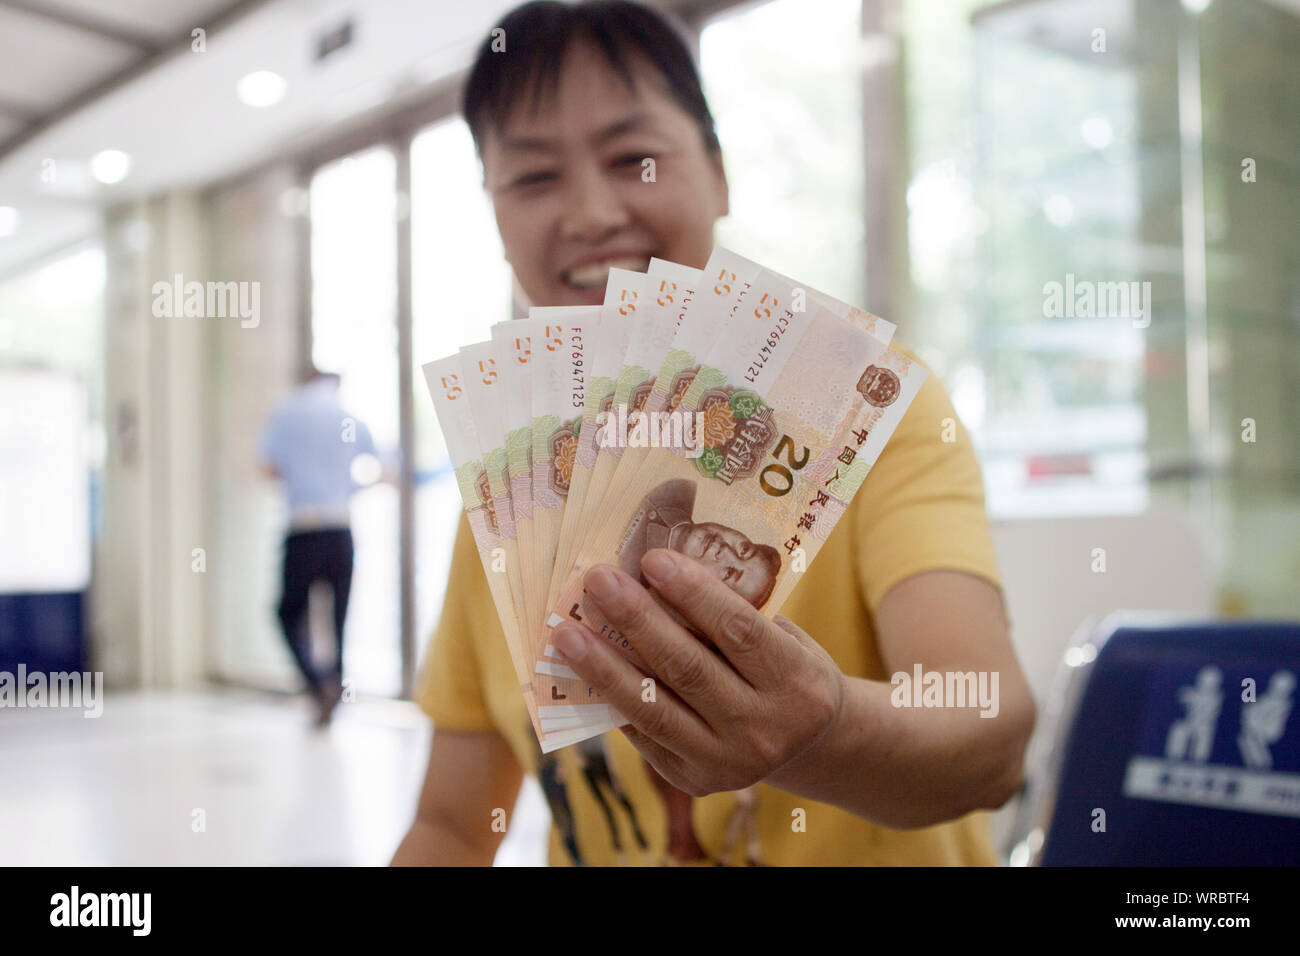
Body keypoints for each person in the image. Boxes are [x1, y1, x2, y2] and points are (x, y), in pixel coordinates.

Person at [393, 0, 1035, 866]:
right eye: (534, 176)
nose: (588, 214)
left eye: (635, 158)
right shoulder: (513, 490)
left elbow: (989, 734)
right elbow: (452, 825)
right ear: (495, 211)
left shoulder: (873, 414)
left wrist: (824, 730)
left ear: (719, 174)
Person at [258, 367, 375, 727]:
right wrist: (345, 488)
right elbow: (383, 467)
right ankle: (334, 686)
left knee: (287, 613)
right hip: (340, 528)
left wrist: (302, 478)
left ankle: (315, 682)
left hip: (304, 529)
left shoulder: (287, 412)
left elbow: (265, 466)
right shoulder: (348, 417)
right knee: (339, 618)